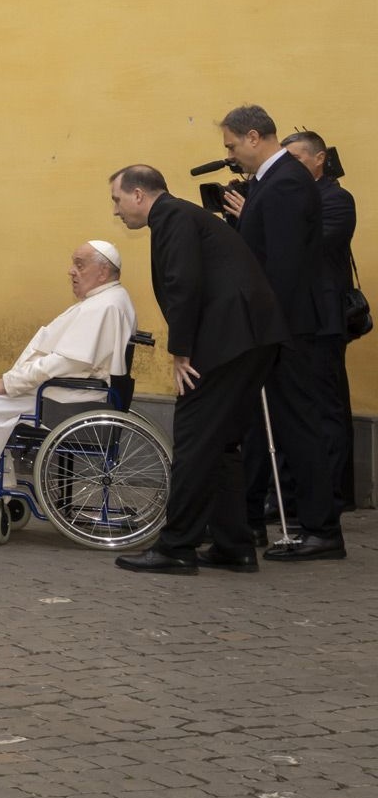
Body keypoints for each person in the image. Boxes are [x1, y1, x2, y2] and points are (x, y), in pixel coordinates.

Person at [107, 165, 286, 574]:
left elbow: (184, 283)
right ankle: (233, 545)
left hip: (225, 340)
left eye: (117, 200)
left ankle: (176, 547)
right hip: (253, 338)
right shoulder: (184, 215)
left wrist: (181, 351)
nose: (116, 211)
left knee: (191, 439)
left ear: (138, 195)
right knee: (221, 442)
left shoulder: (171, 216)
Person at [0, 241, 136, 531]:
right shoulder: (107, 300)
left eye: (80, 265)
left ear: (103, 272)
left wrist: (7, 384)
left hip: (65, 400)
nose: (71, 272)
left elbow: (62, 364)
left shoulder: (104, 306)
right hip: (65, 392)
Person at [216, 105, 344, 560]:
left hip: (286, 328)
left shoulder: (286, 181)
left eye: (232, 146)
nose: (230, 156)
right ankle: (249, 522)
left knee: (298, 426)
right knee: (263, 423)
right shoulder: (274, 181)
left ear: (254, 137)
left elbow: (285, 267)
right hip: (277, 325)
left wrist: (267, 327)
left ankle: (322, 530)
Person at [282, 130, 358, 511]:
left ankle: (330, 495)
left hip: (324, 320)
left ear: (319, 158)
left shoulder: (337, 199)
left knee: (326, 408)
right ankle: (298, 492)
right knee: (299, 410)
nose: (289, 168)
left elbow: (309, 247)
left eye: (295, 159)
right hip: (295, 319)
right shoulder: (290, 199)